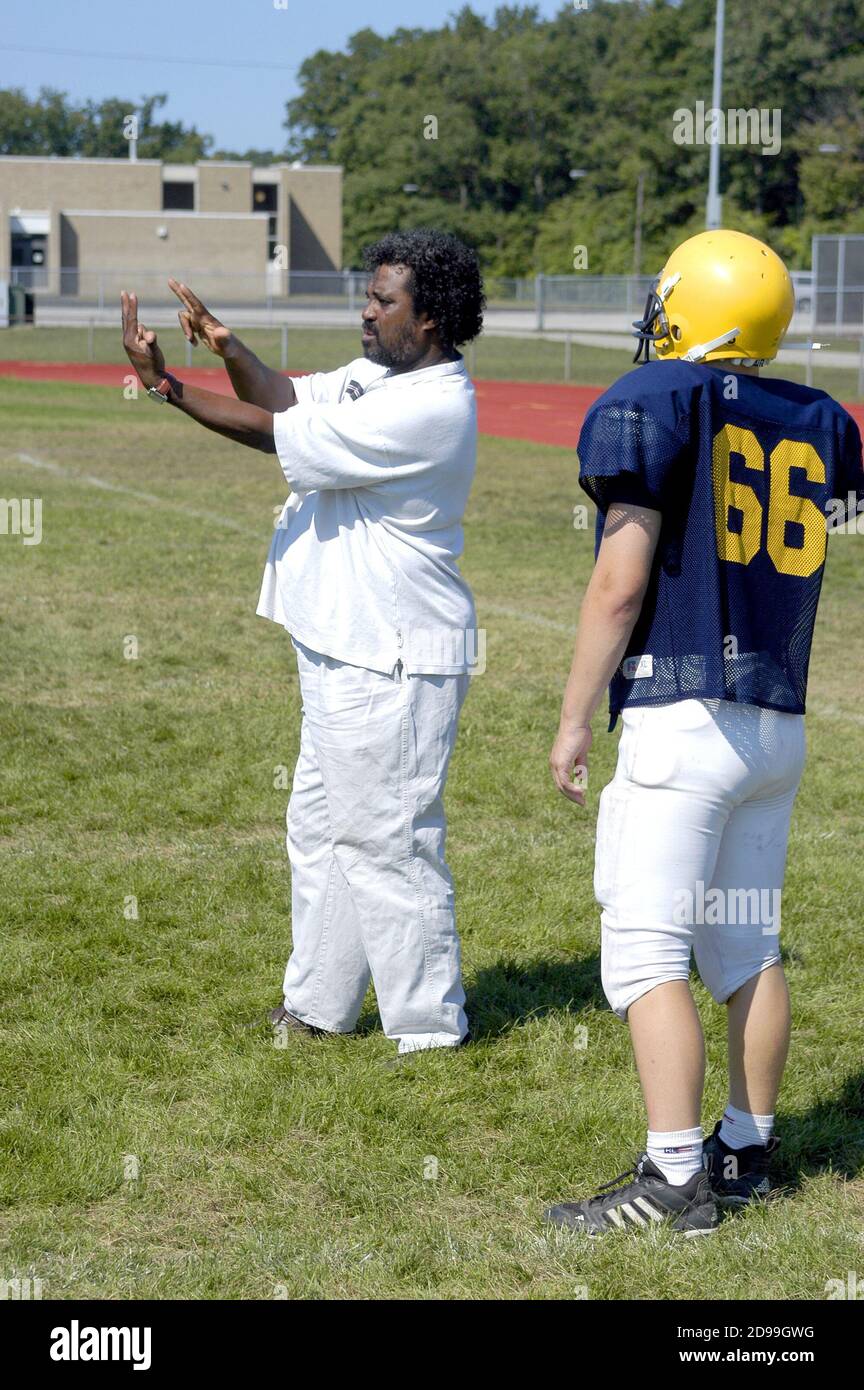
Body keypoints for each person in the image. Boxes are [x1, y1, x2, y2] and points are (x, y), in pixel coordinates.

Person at [545, 229, 864, 1235]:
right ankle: (746, 1146)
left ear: (694, 307)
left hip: (683, 716)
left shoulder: (653, 401)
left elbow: (619, 580)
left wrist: (569, 716)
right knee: (746, 945)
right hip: (774, 726)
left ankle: (674, 1177)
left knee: (645, 951)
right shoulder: (822, 417)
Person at [121, 228, 485, 1055]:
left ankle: (430, 1028)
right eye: (369, 293)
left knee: (389, 841)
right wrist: (224, 344)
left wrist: (168, 387)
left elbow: (270, 434)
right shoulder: (380, 374)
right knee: (323, 829)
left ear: (430, 320)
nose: (366, 310)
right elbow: (286, 397)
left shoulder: (431, 406)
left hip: (390, 655)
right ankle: (319, 1005)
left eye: (383, 301)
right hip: (340, 644)